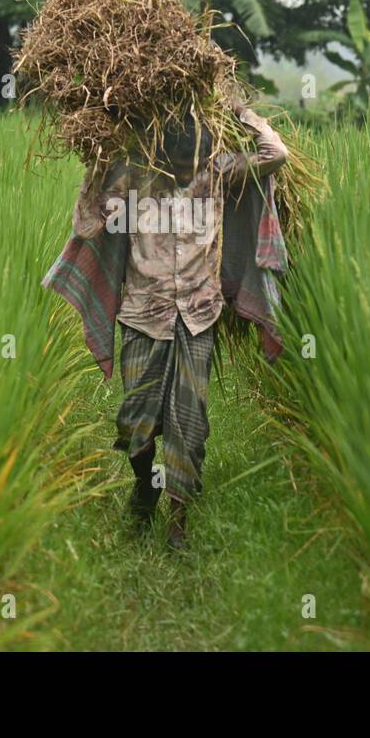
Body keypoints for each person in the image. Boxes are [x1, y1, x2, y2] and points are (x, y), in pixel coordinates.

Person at [65, 98, 288, 549]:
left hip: (198, 316)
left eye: (196, 144)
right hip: (143, 316)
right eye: (179, 145)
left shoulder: (218, 173)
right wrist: (99, 154)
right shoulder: (132, 176)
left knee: (189, 423)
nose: (188, 156)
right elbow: (89, 221)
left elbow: (274, 155)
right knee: (135, 422)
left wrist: (241, 112)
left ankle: (178, 521)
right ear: (160, 143)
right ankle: (146, 485)